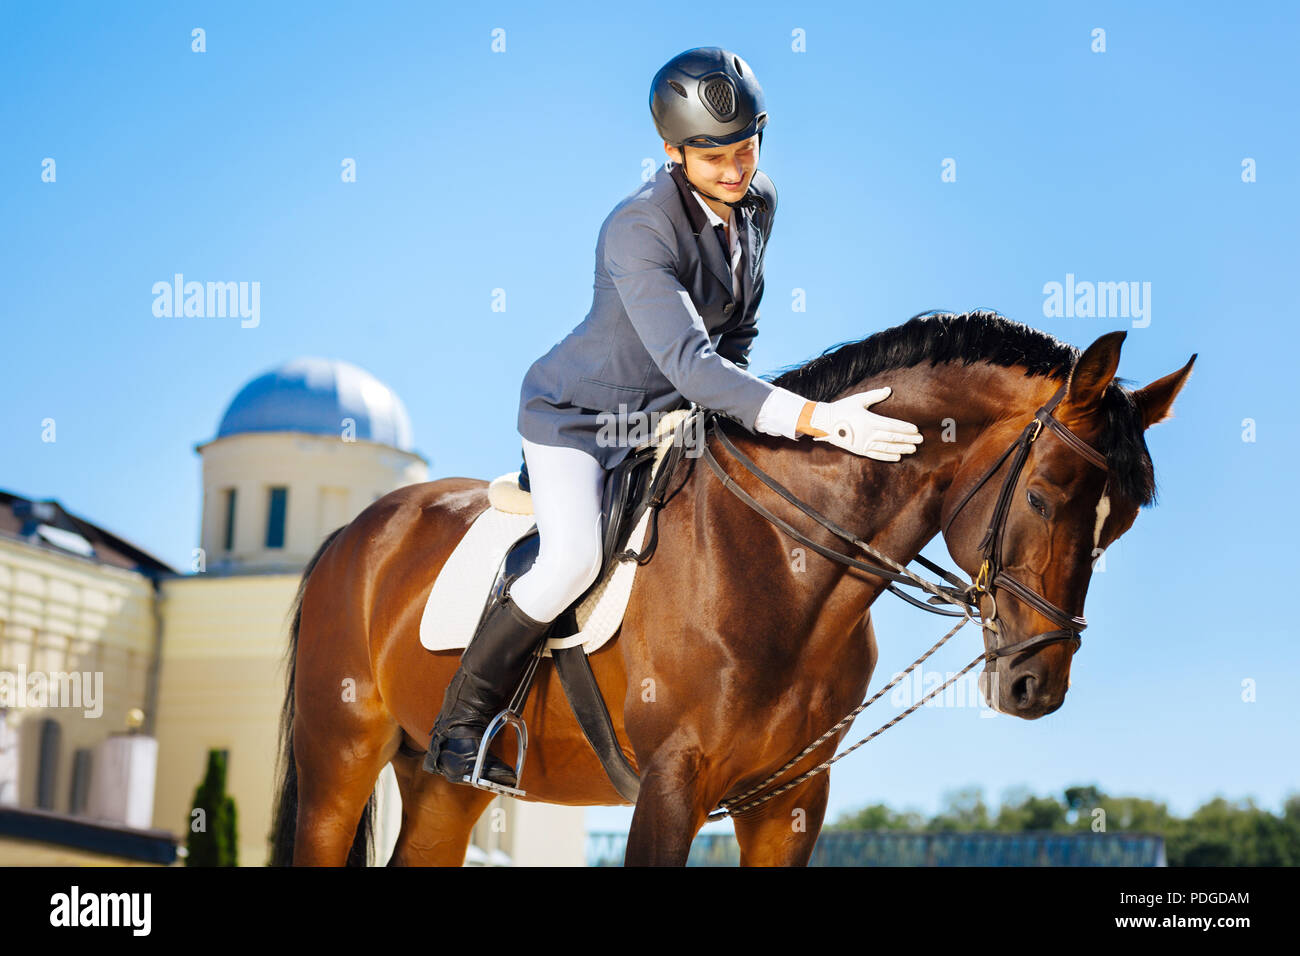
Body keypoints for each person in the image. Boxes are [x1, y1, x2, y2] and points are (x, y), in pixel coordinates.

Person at [424, 46, 922, 788]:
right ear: (671, 151)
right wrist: (817, 418)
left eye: (745, 148)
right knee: (573, 559)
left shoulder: (759, 205)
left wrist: (752, 412)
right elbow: (692, 362)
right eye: (712, 155)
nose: (733, 169)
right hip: (578, 418)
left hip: (674, 415)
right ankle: (461, 726)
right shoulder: (638, 227)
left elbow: (736, 334)